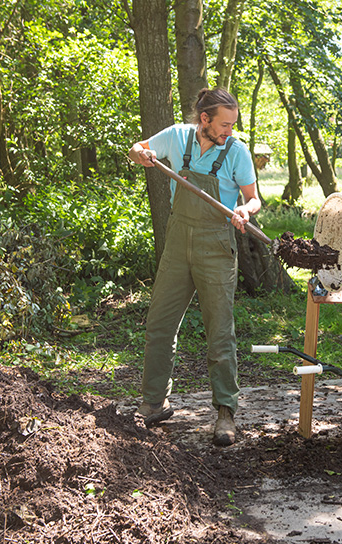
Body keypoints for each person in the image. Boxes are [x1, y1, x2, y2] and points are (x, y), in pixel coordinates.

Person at [127, 88, 260, 446]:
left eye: (232, 125)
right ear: (204, 120)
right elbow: (138, 149)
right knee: (159, 324)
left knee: (219, 333)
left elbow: (253, 197)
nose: (229, 131)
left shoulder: (236, 152)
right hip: (177, 242)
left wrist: (245, 211)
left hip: (216, 246)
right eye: (224, 124)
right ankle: (154, 403)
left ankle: (225, 412)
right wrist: (140, 153)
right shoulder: (175, 137)